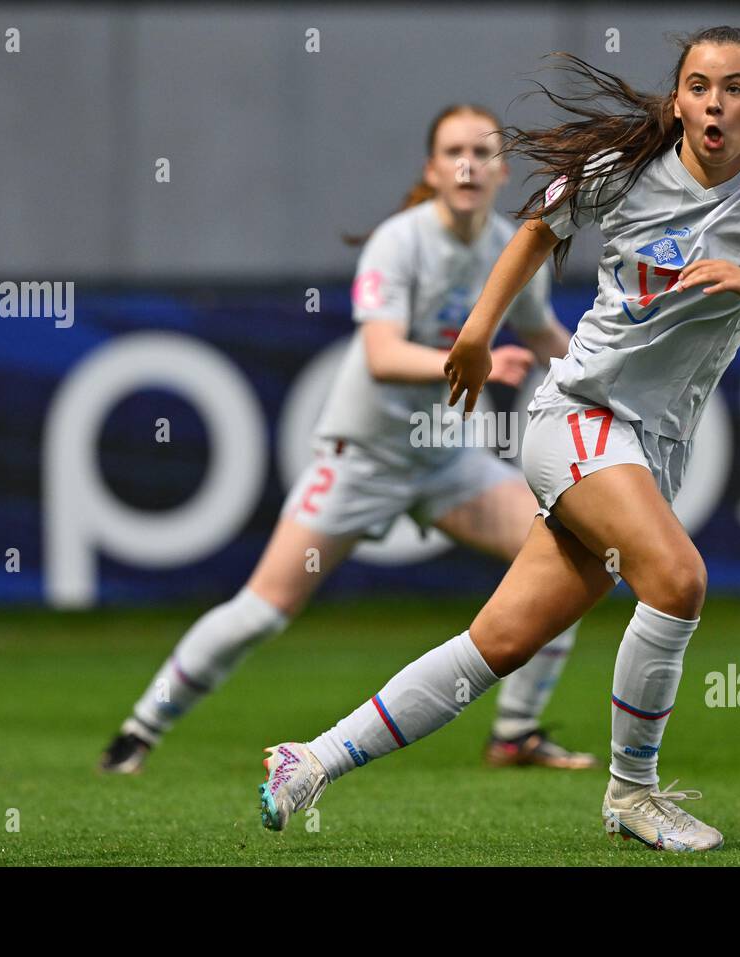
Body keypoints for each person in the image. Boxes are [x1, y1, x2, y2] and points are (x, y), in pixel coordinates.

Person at [257, 27, 740, 853]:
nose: (718, 103)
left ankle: (310, 759)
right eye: (701, 86)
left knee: (492, 646)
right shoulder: (625, 170)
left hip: (650, 447)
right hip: (578, 416)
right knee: (677, 580)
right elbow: (535, 227)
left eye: (737, 87)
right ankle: (632, 794)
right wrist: (474, 332)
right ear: (678, 99)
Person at [99, 104, 597, 775]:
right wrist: (469, 359)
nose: (468, 165)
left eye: (482, 153)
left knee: (565, 560)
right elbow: (382, 354)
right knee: (262, 610)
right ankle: (139, 728)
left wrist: (606, 384)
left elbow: (543, 336)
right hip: (361, 457)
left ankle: (514, 733)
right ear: (432, 168)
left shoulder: (511, 250)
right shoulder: (400, 242)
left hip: (444, 459)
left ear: (503, 171)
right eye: (454, 152)